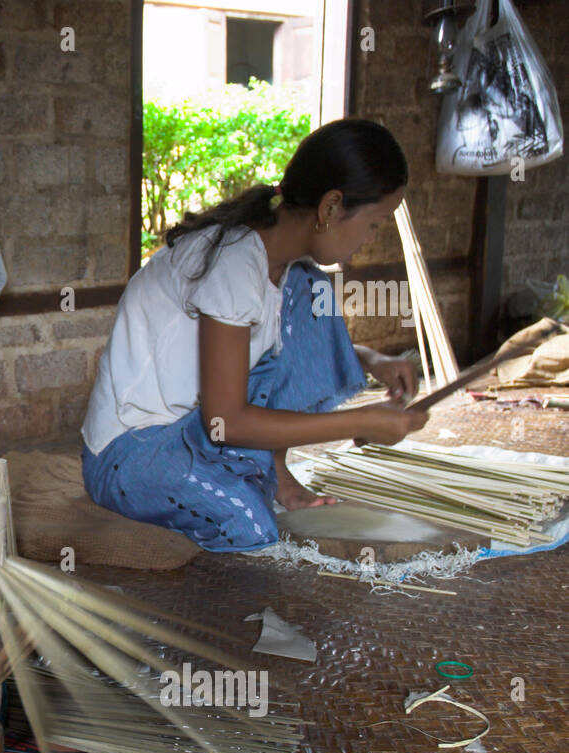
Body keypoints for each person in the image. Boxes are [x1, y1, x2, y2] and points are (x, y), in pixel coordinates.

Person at [81, 118, 430, 552]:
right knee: (249, 525)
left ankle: (277, 474)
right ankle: (260, 480)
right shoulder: (236, 264)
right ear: (331, 207)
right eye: (375, 223)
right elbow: (225, 421)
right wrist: (363, 420)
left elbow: (268, 351)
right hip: (132, 453)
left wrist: (370, 360)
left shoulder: (286, 266)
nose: (372, 238)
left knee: (312, 289)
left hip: (193, 429)